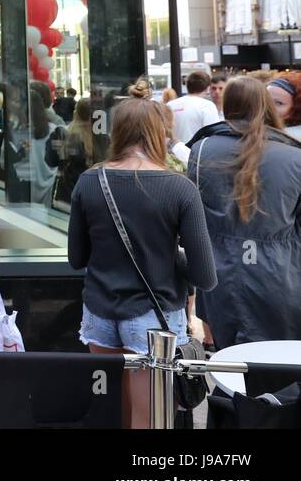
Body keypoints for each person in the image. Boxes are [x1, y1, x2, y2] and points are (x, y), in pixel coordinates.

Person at [69, 97, 215, 429]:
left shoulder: (89, 181)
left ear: (116, 133)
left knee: (112, 409)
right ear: (159, 133)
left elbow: (76, 258)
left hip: (99, 311)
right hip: (154, 318)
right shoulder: (180, 188)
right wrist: (170, 257)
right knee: (149, 419)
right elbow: (205, 276)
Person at [186, 76, 301, 347]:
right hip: (280, 272)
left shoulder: (202, 150)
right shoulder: (294, 156)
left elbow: (192, 214)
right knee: (278, 366)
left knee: (227, 364)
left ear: (227, 105)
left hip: (218, 272)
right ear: (265, 104)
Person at [46, 97, 94, 211]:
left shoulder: (62, 135)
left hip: (67, 196)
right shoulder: (102, 139)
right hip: (94, 196)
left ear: (75, 112)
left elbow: (50, 161)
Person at [168, 71, 221, 145]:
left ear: (187, 85)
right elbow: (213, 135)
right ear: (208, 88)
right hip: (197, 153)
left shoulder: (170, 105)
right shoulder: (207, 106)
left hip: (172, 153)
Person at [265, 72, 301, 141]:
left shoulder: (290, 140)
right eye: (266, 100)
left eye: (278, 103)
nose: (268, 106)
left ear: (296, 110)